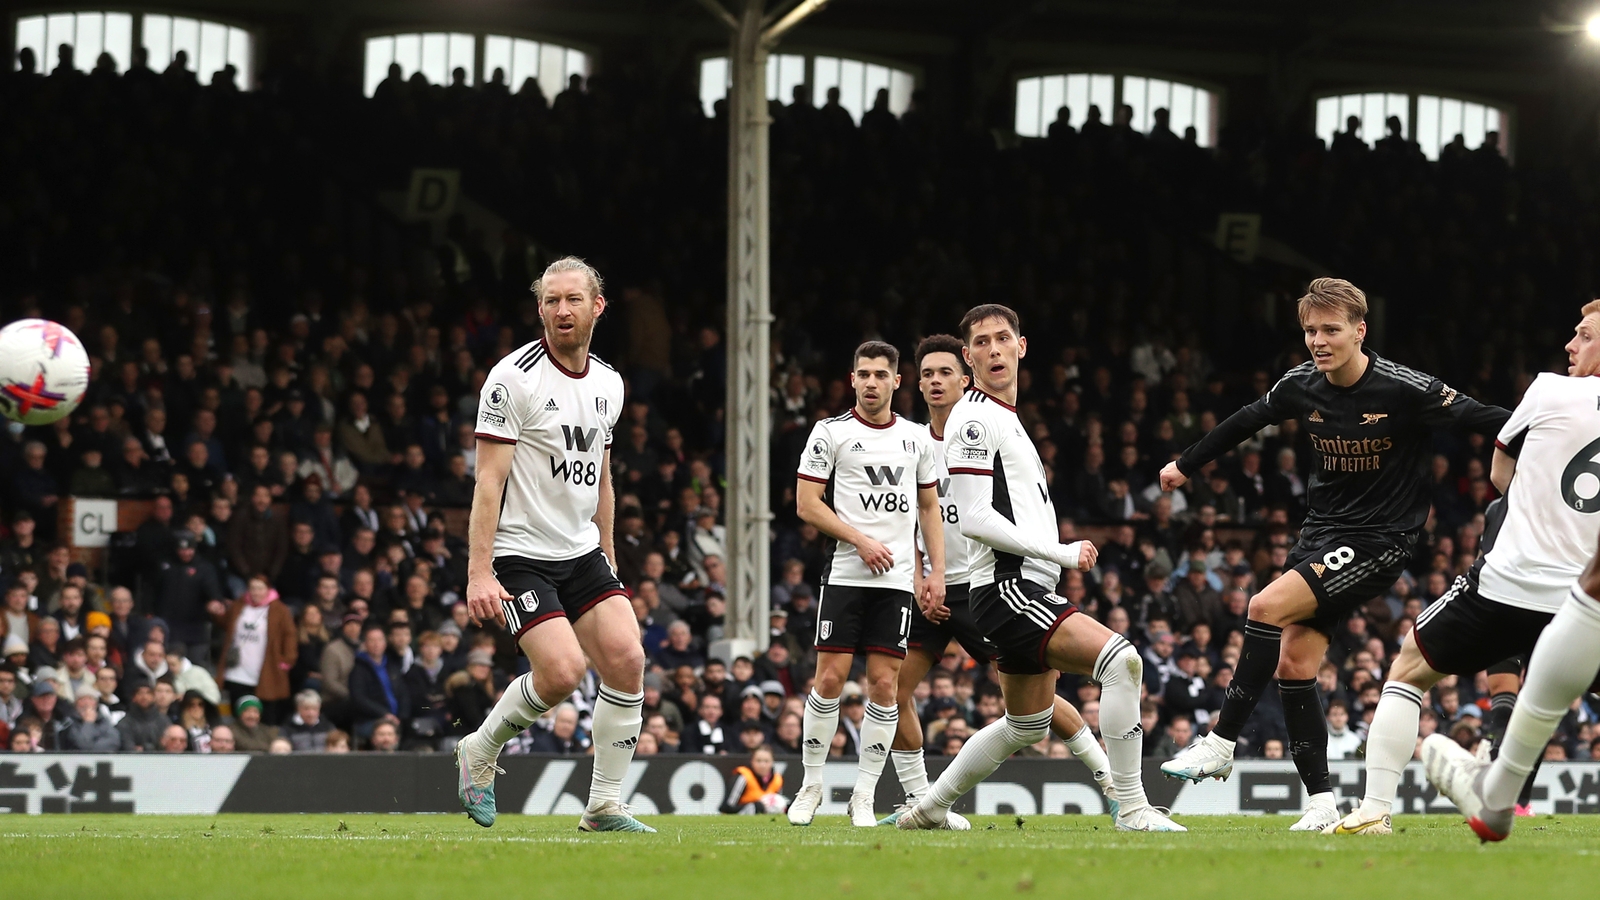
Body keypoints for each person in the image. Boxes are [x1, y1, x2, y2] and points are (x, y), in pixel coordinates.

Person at [1161, 279, 1508, 833]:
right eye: (1310, 331)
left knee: (1263, 606)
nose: (1318, 341)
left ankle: (1221, 742)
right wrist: (1186, 463)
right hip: (1320, 536)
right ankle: (1323, 804)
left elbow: (1488, 418)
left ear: (1359, 331)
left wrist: (1563, 431)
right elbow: (1247, 419)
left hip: (1380, 539)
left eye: (1330, 329)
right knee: (1294, 666)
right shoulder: (1303, 385)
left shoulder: (1404, 388)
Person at [896, 305, 1180, 833]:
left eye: (1004, 339)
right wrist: (1061, 552)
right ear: (969, 356)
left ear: (1022, 347)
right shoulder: (977, 417)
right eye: (981, 343)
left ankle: (928, 808)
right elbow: (977, 517)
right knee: (1124, 663)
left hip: (1018, 584)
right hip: (1007, 587)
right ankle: (1135, 809)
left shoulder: (1003, 416)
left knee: (1027, 722)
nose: (994, 349)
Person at [884, 335, 1114, 824]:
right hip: (929, 590)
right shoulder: (909, 445)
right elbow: (908, 516)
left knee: (1039, 704)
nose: (935, 382)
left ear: (965, 379)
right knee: (890, 689)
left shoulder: (985, 428)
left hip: (980, 587)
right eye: (926, 374)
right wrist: (925, 573)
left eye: (945, 373)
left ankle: (1109, 782)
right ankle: (921, 801)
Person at [452, 258, 647, 832]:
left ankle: (605, 805)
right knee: (561, 673)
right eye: (551, 301)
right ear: (540, 309)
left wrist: (608, 552)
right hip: (518, 553)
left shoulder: (609, 383)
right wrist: (479, 572)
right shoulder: (513, 378)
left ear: (597, 306)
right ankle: (479, 752)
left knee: (628, 660)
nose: (562, 311)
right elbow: (488, 480)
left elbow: (603, 476)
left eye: (572, 300)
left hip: (581, 550)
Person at [786, 340, 944, 828]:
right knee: (829, 680)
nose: (871, 382)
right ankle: (811, 785)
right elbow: (807, 504)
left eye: (881, 375)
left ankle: (862, 795)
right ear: (851, 379)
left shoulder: (918, 438)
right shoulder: (829, 433)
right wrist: (860, 540)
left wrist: (933, 570)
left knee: (883, 686)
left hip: (896, 583)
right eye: (863, 374)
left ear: (897, 382)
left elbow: (928, 507)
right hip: (848, 574)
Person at [216, 574, 298, 724]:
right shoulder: (239, 605)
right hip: (237, 670)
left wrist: (287, 659)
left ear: (268, 589)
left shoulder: (279, 610)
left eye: (260, 588)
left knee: (265, 714)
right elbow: (227, 624)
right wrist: (217, 612)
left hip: (265, 670)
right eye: (252, 588)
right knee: (237, 713)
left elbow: (290, 635)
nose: (256, 592)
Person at [721, 744, 788, 814]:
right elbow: (727, 807)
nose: (762, 765)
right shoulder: (743, 777)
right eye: (758, 761)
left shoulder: (777, 780)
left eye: (766, 761)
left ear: (772, 762)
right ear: (752, 761)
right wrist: (754, 806)